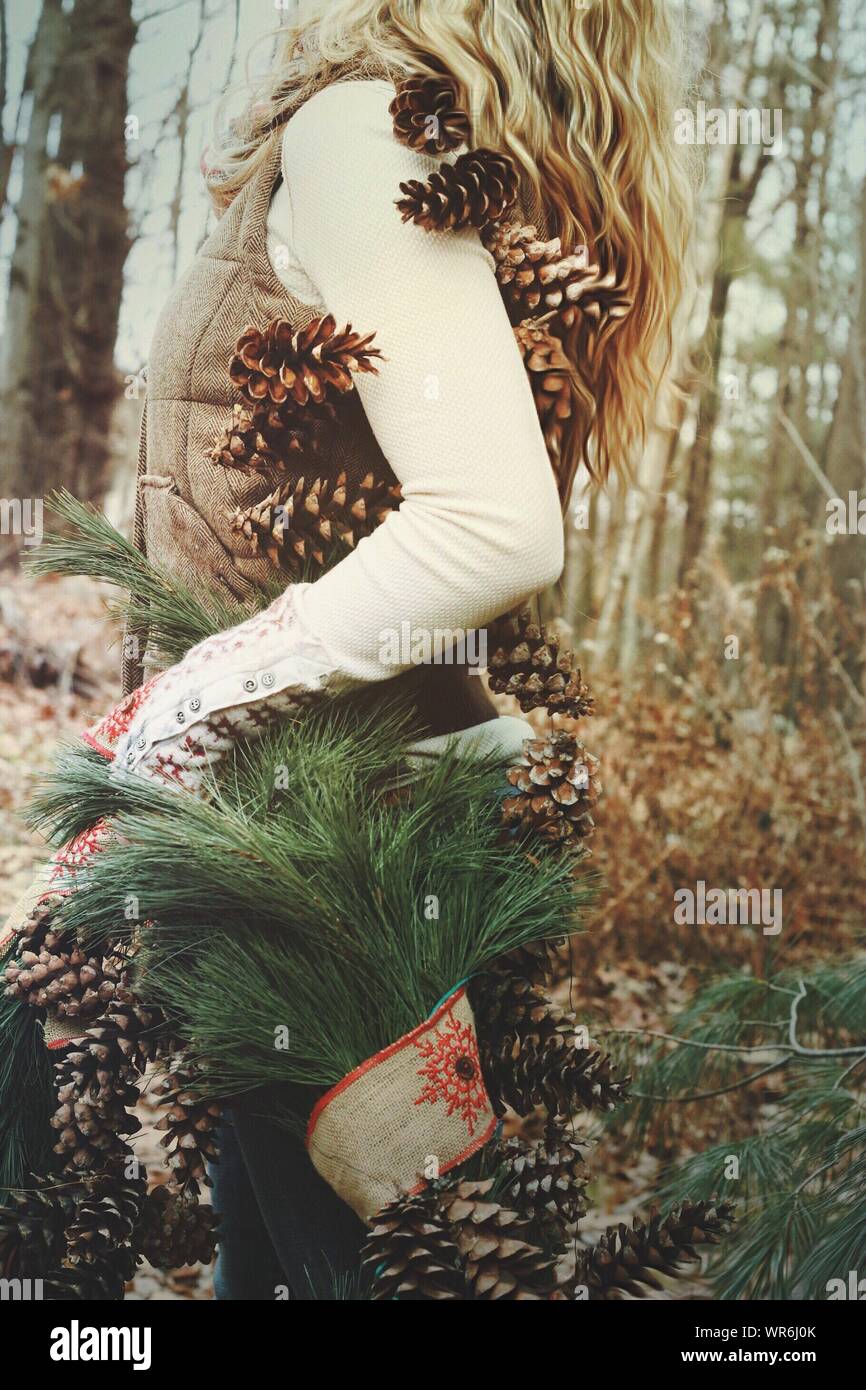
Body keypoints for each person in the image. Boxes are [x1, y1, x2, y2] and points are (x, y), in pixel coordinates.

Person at [12, 1, 697, 1299]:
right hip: (359, 819)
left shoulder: (361, 133)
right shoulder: (429, 153)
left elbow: (494, 523)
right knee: (274, 1261)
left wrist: (195, 698)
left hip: (326, 834)